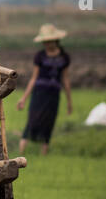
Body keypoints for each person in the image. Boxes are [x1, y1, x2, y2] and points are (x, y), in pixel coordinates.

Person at [17, 23, 72, 154]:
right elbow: (33, 78)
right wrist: (23, 99)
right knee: (32, 120)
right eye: (45, 41)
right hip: (39, 93)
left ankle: (44, 153)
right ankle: (21, 153)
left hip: (54, 94)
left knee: (49, 122)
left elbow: (65, 79)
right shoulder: (40, 56)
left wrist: (69, 101)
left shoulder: (64, 57)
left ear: (55, 40)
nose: (47, 44)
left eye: (49, 41)